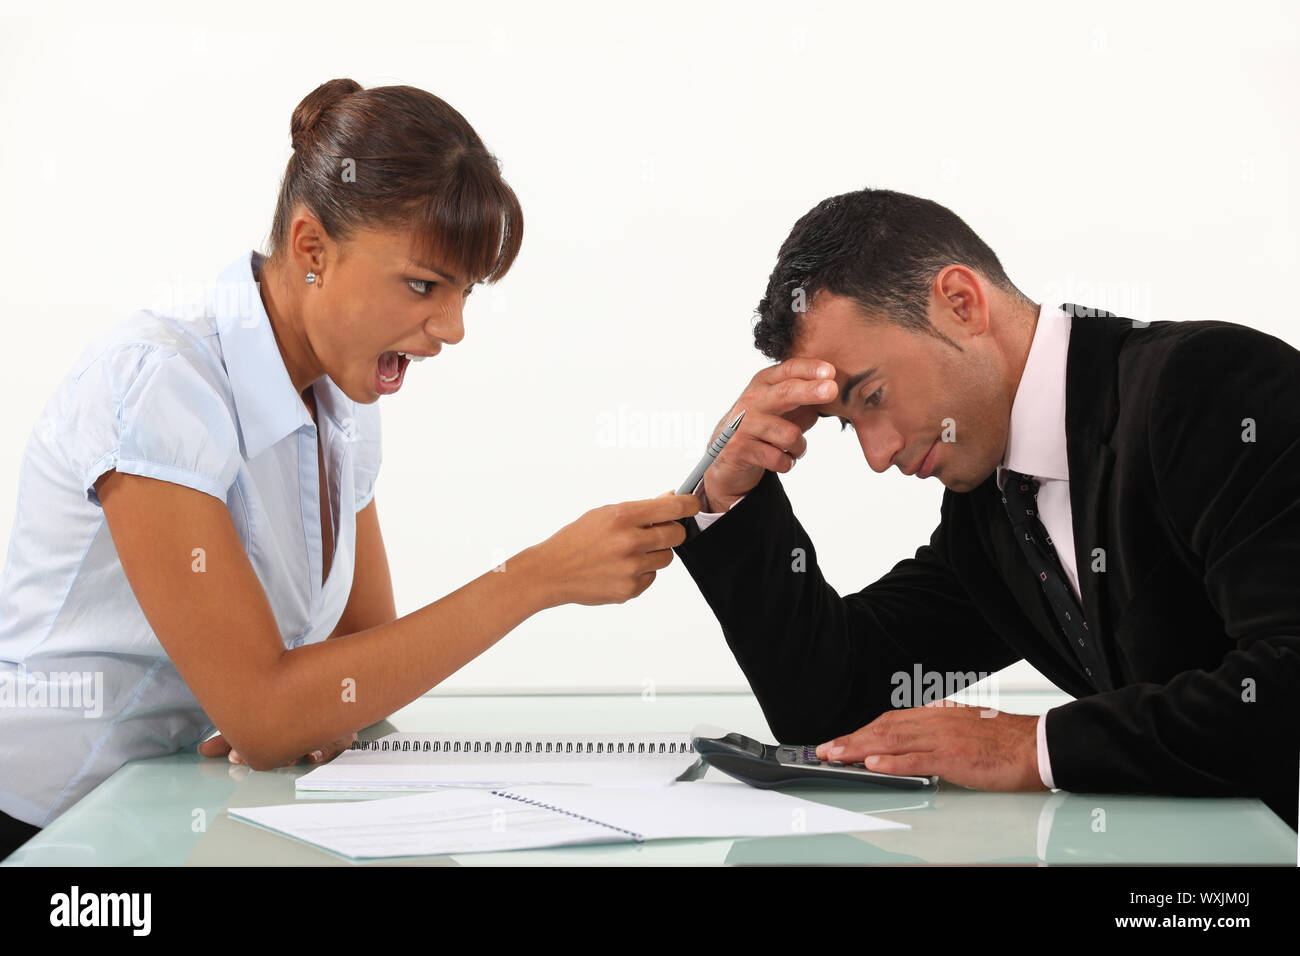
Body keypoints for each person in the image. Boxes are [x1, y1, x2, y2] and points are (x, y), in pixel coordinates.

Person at [0, 78, 698, 861]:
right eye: (424, 285)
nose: (454, 327)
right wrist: (536, 578)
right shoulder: (160, 384)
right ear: (311, 251)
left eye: (465, 292)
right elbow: (267, 717)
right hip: (45, 829)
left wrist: (325, 710)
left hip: (175, 816)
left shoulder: (344, 404)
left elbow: (363, 659)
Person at [672, 188, 1300, 831]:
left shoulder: (1211, 387)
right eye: (845, 424)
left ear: (960, 304)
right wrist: (732, 493)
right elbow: (831, 702)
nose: (878, 454)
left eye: (875, 396)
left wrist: (1033, 747)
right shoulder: (994, 509)